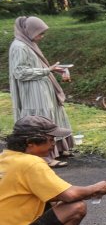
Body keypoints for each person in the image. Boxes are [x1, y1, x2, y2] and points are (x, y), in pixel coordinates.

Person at [0, 116, 106, 225]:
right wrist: (95, 188)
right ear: (31, 143)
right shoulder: (31, 164)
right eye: (50, 139)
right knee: (76, 208)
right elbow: (69, 195)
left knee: (53, 201)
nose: (54, 144)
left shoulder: (6, 157)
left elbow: (56, 194)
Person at [8, 16, 74, 168]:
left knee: (53, 116)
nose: (41, 36)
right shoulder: (19, 46)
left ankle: (58, 149)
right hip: (33, 91)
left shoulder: (28, 43)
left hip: (42, 87)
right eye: (39, 33)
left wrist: (51, 70)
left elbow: (33, 66)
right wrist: (47, 70)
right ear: (29, 30)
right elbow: (20, 72)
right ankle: (44, 158)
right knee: (40, 121)